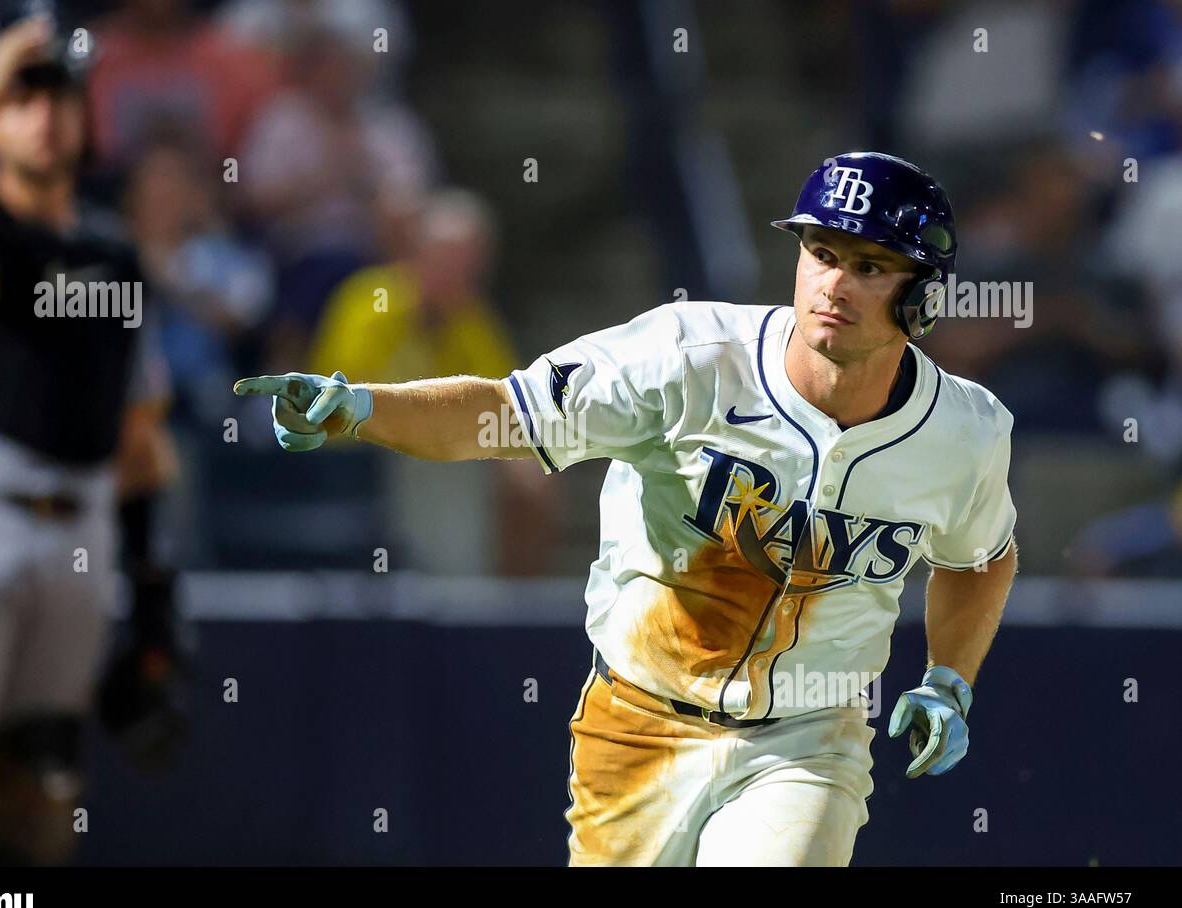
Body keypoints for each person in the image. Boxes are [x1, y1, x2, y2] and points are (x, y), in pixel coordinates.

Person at [234, 151, 1020, 866]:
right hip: (635, 721)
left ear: (922, 296)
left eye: (871, 265)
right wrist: (363, 406)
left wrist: (949, 678)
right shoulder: (685, 357)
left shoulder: (963, 433)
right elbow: (505, 416)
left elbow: (982, 555)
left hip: (805, 741)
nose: (835, 284)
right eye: (821, 253)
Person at [0, 12, 180, 865]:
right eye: (21, 98)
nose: (44, 116)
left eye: (58, 96)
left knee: (45, 777)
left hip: (78, 531)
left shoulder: (114, 256)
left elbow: (140, 437)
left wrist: (158, 619)